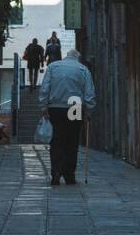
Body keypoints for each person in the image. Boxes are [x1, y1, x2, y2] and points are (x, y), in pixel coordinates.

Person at [38, 48, 96, 186]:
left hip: (56, 107)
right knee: (72, 140)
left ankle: (56, 172)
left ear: (66, 57)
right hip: (75, 106)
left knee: (57, 140)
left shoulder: (53, 67)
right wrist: (89, 110)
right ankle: (69, 174)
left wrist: (43, 107)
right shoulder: (83, 69)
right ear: (78, 58)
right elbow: (89, 92)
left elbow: (45, 88)